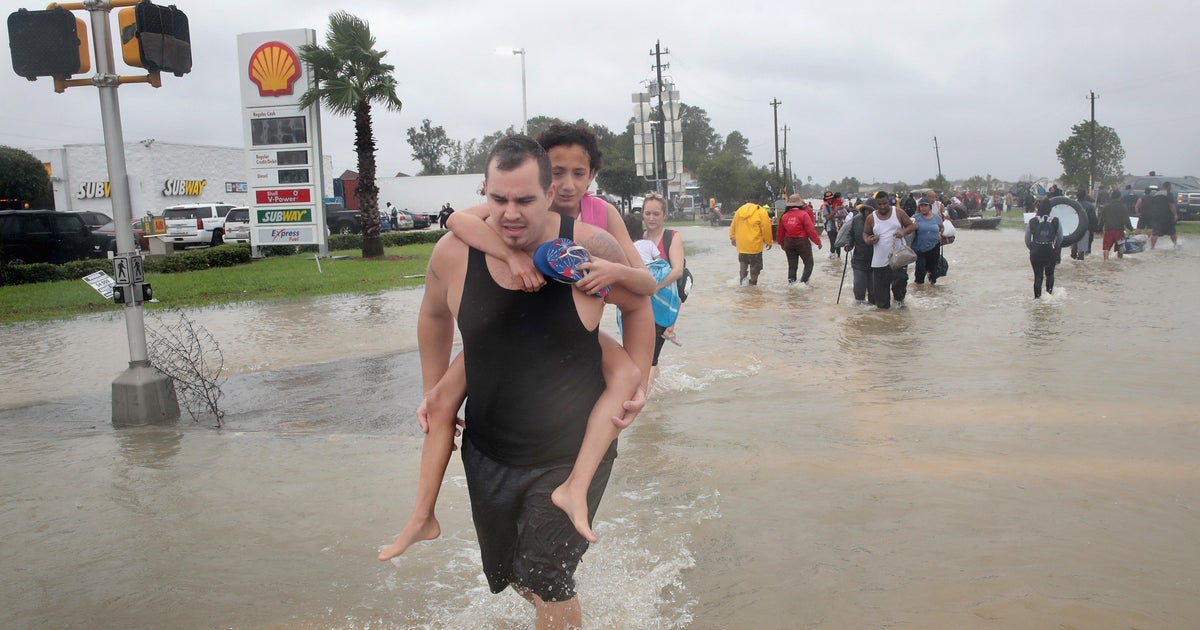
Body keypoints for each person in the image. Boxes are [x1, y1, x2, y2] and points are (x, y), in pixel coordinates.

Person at [400, 136, 655, 628]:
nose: (511, 213)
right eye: (499, 200)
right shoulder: (454, 253)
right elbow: (433, 316)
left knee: (544, 573)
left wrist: (638, 381)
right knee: (514, 576)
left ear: (549, 192)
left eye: (524, 200)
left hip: (572, 447)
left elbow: (638, 304)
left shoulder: (586, 248)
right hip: (490, 449)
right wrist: (436, 395)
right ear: (485, 194)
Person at [626, 195, 683, 392]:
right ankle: (652, 386)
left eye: (656, 214)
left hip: (665, 302)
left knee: (651, 352)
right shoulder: (637, 238)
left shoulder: (672, 237)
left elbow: (678, 271)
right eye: (647, 213)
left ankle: (644, 398)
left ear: (664, 215)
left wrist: (654, 287)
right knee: (643, 350)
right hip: (641, 303)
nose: (651, 218)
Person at [863, 191, 915, 309]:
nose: (882, 207)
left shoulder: (898, 213)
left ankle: (899, 306)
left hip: (898, 259)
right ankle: (885, 323)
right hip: (879, 261)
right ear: (876, 204)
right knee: (881, 298)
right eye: (879, 204)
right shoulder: (871, 218)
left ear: (889, 201)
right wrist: (868, 240)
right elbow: (865, 233)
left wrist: (903, 232)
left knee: (899, 285)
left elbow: (913, 226)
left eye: (884, 204)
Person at [775, 194, 822, 284]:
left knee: (792, 266)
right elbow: (811, 230)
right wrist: (818, 242)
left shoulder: (784, 216)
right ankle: (803, 283)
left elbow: (779, 233)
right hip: (802, 242)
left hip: (788, 242)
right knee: (809, 264)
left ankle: (792, 285)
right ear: (800, 204)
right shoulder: (804, 214)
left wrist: (781, 244)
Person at [729, 192, 774, 285]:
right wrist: (769, 241)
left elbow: (733, 225)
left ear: (748, 199)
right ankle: (752, 288)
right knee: (755, 268)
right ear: (758, 200)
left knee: (743, 263)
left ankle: (742, 283)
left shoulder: (739, 210)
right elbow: (766, 228)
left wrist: (732, 237)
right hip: (755, 246)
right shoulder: (761, 211)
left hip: (742, 246)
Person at [1025, 198, 1063, 298]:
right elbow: (1060, 238)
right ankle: (1049, 296)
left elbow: (1027, 239)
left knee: (1038, 276)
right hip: (1050, 251)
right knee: (1050, 274)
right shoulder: (1055, 220)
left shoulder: (1032, 221)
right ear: (1050, 209)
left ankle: (1037, 299)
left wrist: (1033, 248)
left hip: (1036, 252)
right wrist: (1054, 248)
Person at [840, 201, 876, 305]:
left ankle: (874, 310)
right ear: (863, 209)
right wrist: (848, 244)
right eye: (866, 210)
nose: (868, 212)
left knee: (874, 291)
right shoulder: (856, 220)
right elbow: (850, 234)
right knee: (859, 289)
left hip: (876, 260)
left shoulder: (880, 220)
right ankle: (860, 313)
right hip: (859, 259)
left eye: (871, 210)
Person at [911, 198, 945, 285]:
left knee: (933, 271)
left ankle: (931, 291)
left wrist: (940, 233)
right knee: (920, 269)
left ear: (929, 207)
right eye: (921, 206)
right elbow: (908, 230)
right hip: (920, 249)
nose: (923, 208)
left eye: (925, 206)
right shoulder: (915, 218)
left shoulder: (936, 218)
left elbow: (941, 227)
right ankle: (919, 291)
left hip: (934, 247)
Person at [1099, 190, 1133, 261]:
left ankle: (1105, 261)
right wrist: (1130, 228)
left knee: (1106, 248)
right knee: (1120, 248)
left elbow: (1102, 219)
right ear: (1120, 197)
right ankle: (1119, 261)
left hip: (1108, 230)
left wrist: (1099, 228)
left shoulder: (1106, 207)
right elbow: (1126, 219)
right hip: (1119, 231)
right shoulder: (1123, 207)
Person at [1149, 181, 1178, 249]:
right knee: (1172, 232)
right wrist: (1175, 215)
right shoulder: (1168, 194)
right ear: (1168, 187)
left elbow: (1152, 204)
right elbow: (1172, 205)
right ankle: (1175, 245)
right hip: (1167, 216)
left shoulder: (1156, 194)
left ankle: (1152, 247)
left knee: (1155, 233)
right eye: (1170, 187)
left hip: (1156, 216)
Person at [1070, 189, 1098, 260]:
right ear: (1085, 195)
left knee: (1073, 247)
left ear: (1077, 195)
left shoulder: (1073, 204)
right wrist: (1095, 228)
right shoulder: (1090, 206)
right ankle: (1080, 264)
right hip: (1085, 229)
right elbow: (1093, 219)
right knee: (1082, 250)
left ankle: (1073, 260)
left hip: (1073, 229)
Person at [819, 192, 847, 259]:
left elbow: (845, 215)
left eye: (831, 199)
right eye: (828, 199)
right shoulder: (826, 208)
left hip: (839, 228)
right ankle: (832, 257)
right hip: (830, 228)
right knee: (833, 243)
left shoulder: (838, 205)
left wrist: (836, 215)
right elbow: (828, 218)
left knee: (838, 244)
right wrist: (835, 211)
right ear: (825, 200)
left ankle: (838, 259)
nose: (830, 200)